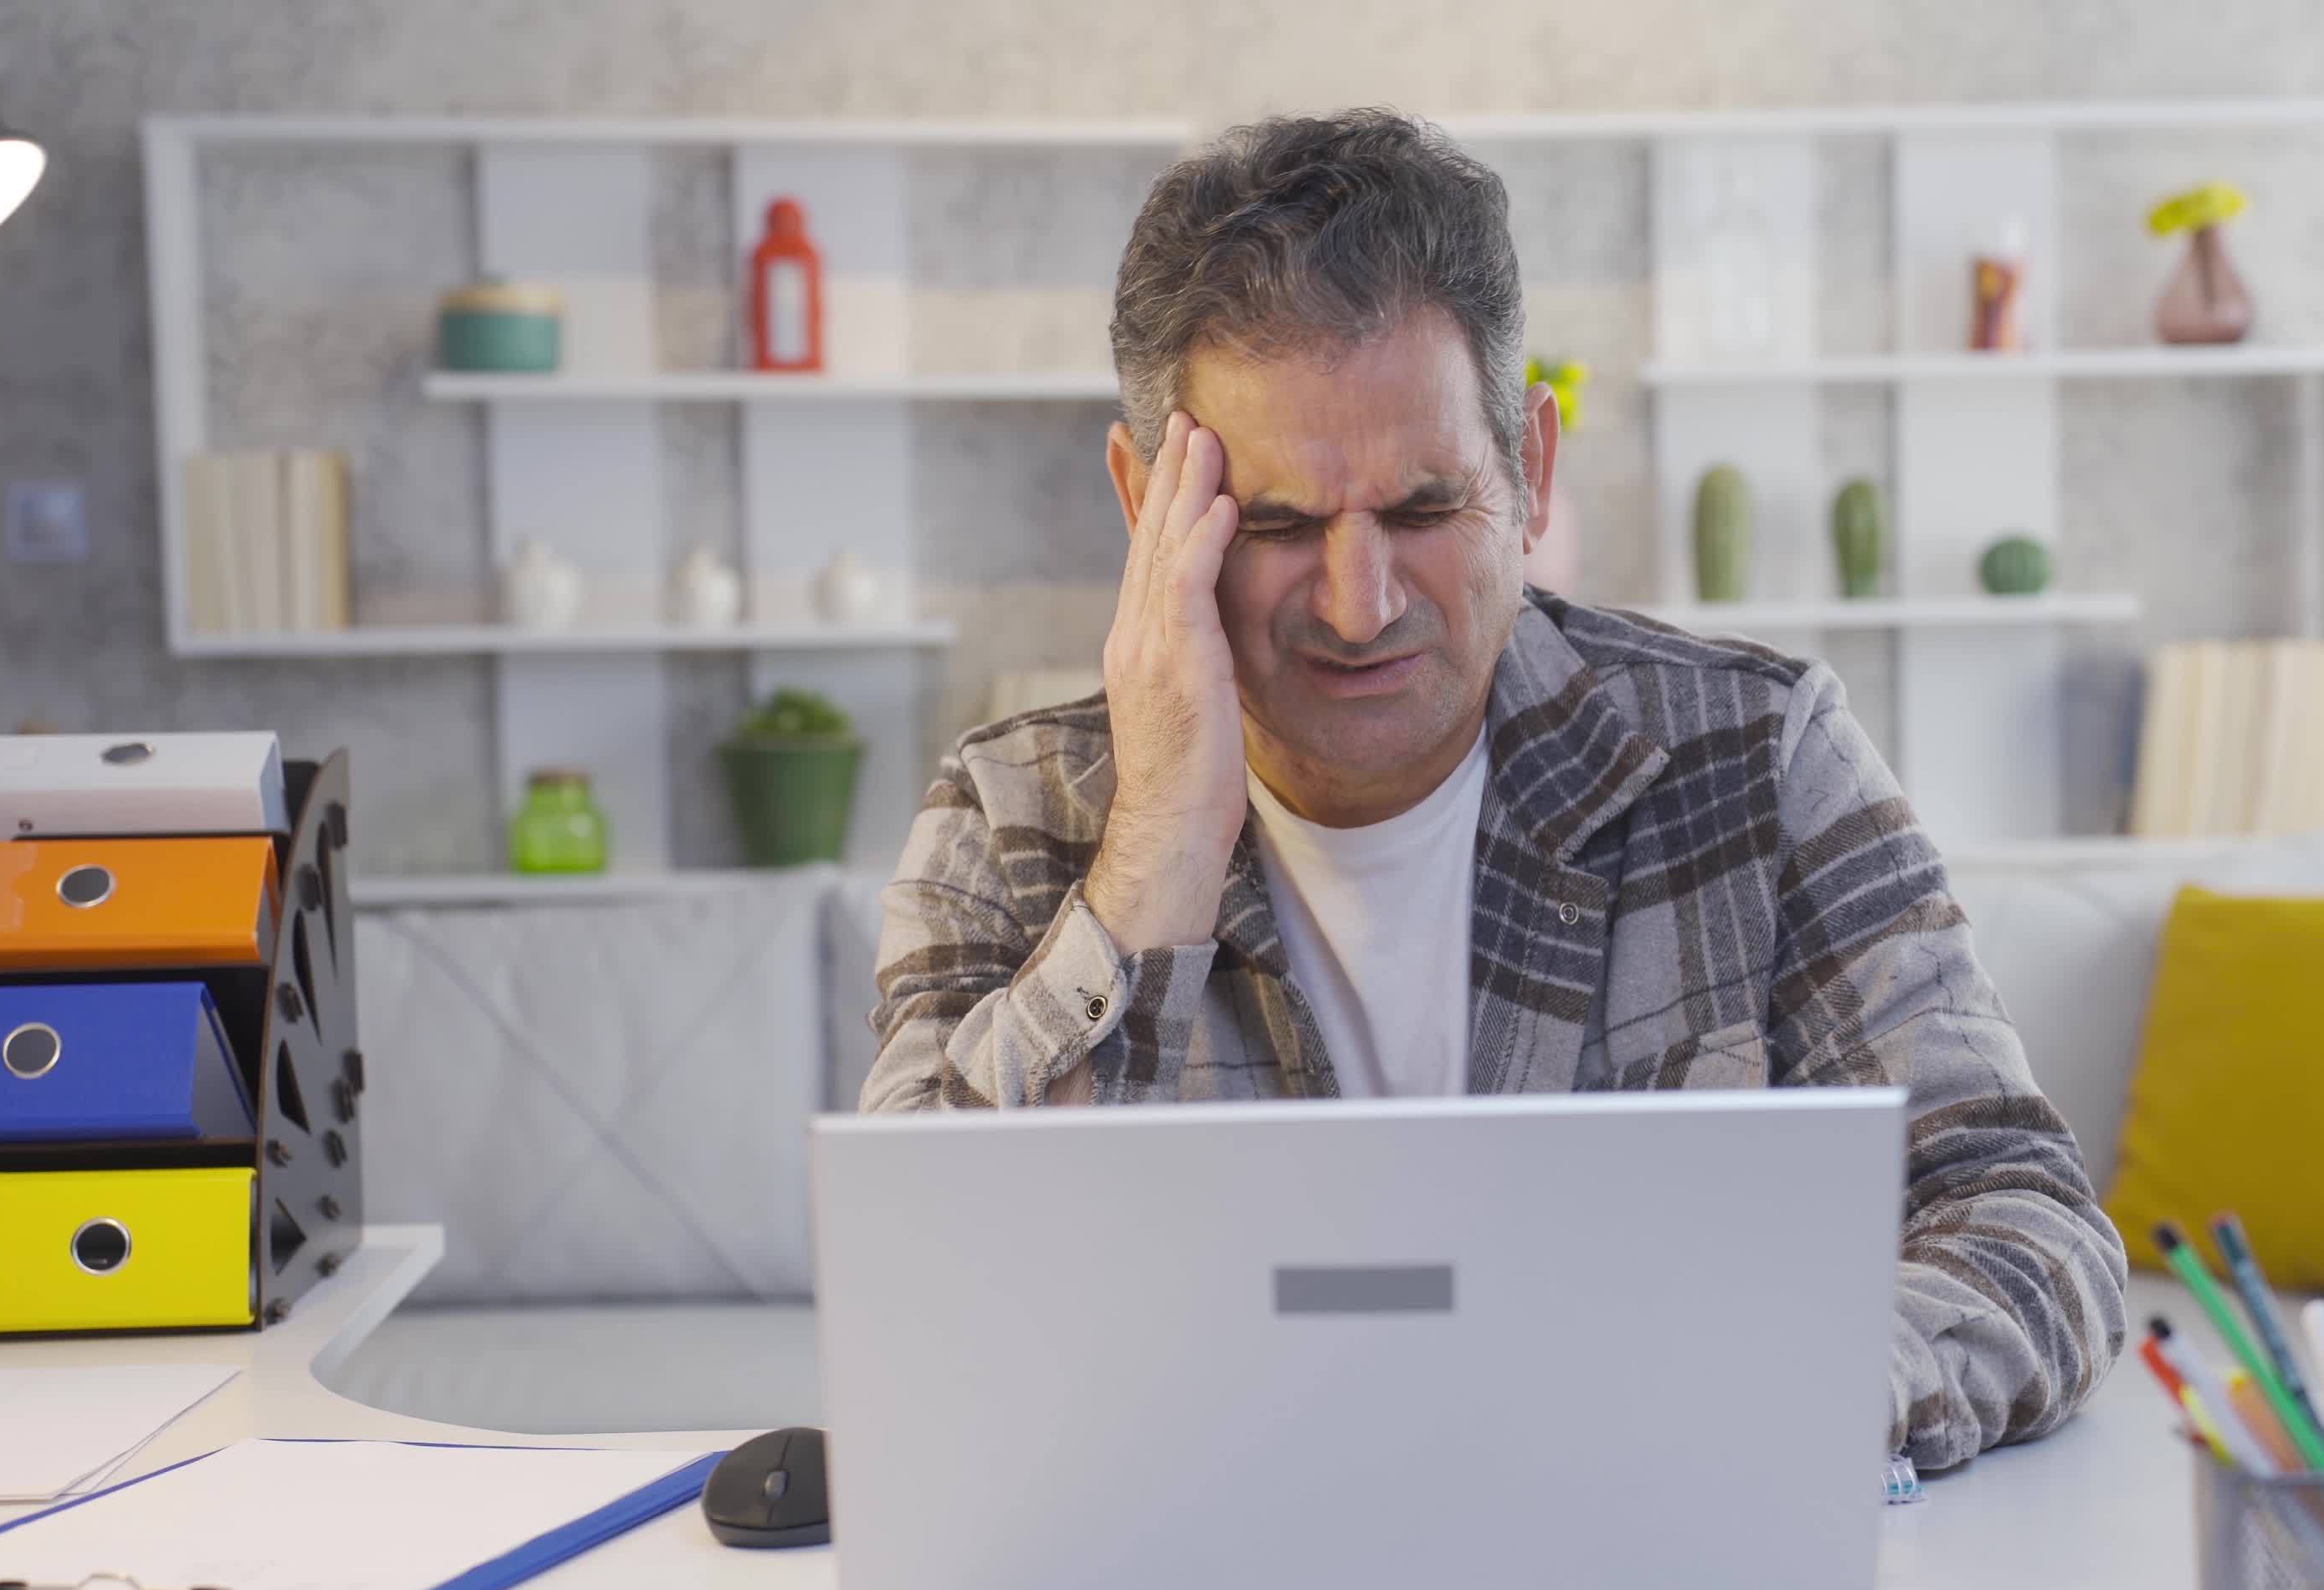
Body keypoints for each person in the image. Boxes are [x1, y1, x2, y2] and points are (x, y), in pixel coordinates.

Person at [860, 108, 2124, 1470]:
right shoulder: (1010, 813)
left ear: (1531, 470)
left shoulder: (1758, 757)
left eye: (1421, 510)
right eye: (1278, 524)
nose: (1361, 605)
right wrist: (1162, 840)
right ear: (1145, 509)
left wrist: (1790, 1396)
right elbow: (924, 1317)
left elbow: (2022, 1215)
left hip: (1657, 1566)